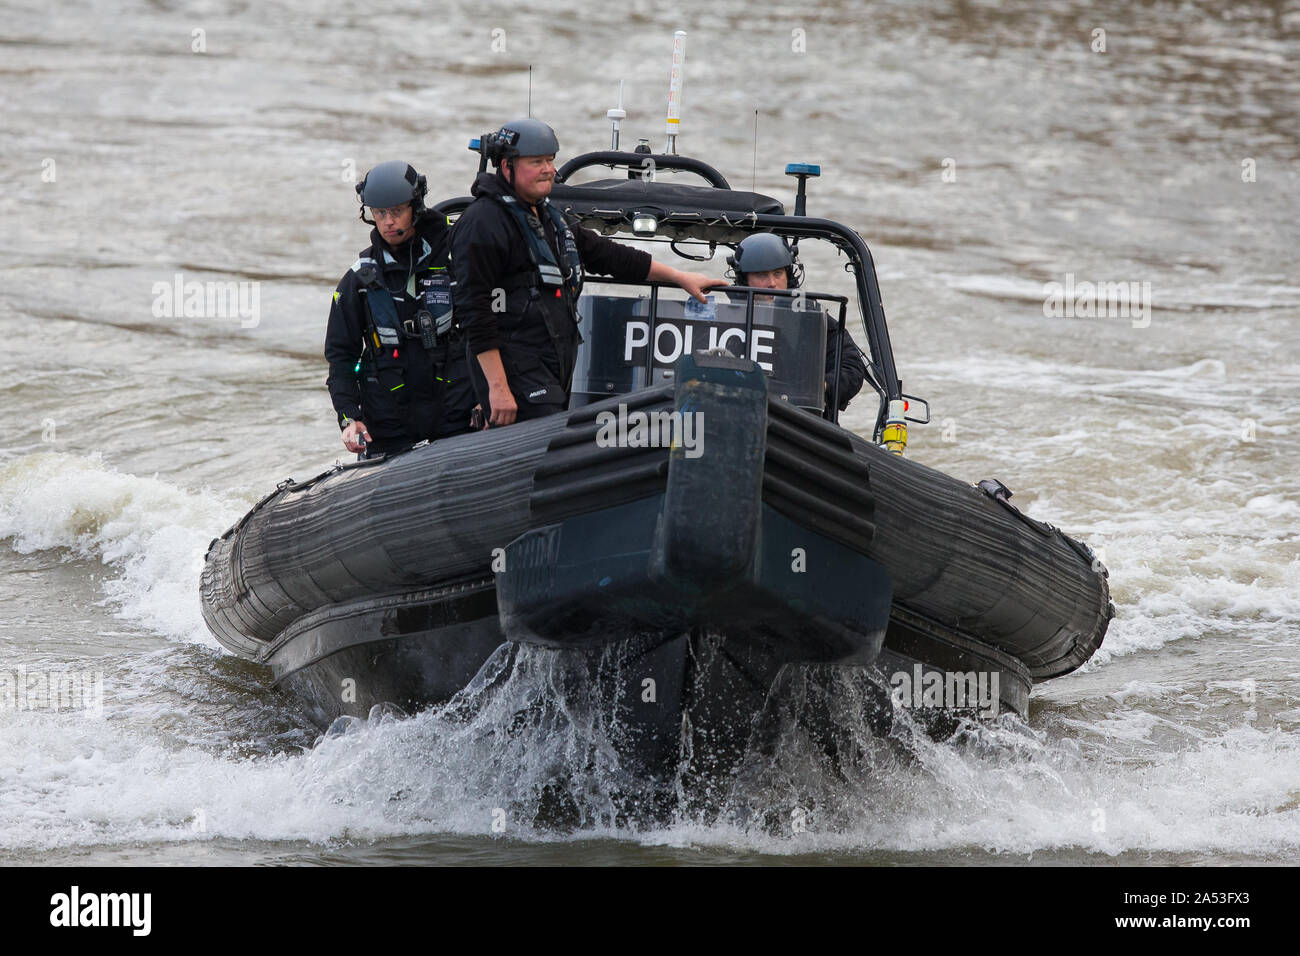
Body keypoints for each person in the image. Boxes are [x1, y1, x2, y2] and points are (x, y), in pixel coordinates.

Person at [451, 118, 727, 425]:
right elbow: (472, 310)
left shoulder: (550, 217)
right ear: (506, 166)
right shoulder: (482, 222)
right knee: (543, 447)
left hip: (552, 360)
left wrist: (680, 277)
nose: (548, 169)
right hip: (514, 366)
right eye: (536, 162)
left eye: (551, 160)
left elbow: (608, 256)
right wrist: (497, 387)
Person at [325, 160, 477, 455]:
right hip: (389, 426)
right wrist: (349, 416)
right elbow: (341, 356)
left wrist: (488, 396)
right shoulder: (359, 279)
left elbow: (488, 327)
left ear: (416, 207)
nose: (388, 222)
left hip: (457, 418)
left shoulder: (458, 259)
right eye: (380, 213)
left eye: (396, 211)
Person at [728, 232, 867, 412]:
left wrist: (820, 386)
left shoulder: (812, 320)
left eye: (778, 273)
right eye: (762, 275)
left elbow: (852, 368)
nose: (772, 283)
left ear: (788, 274)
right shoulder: (726, 319)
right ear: (744, 279)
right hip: (739, 413)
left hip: (799, 419)